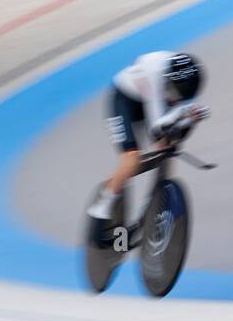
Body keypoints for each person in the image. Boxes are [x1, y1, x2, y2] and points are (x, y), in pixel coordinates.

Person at [88, 51, 207, 219]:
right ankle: (103, 205)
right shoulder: (155, 75)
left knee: (167, 149)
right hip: (125, 100)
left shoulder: (188, 78)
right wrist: (182, 115)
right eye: (176, 95)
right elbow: (156, 128)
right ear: (167, 82)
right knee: (132, 158)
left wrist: (190, 121)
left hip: (156, 99)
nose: (178, 101)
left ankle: (157, 202)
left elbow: (175, 130)